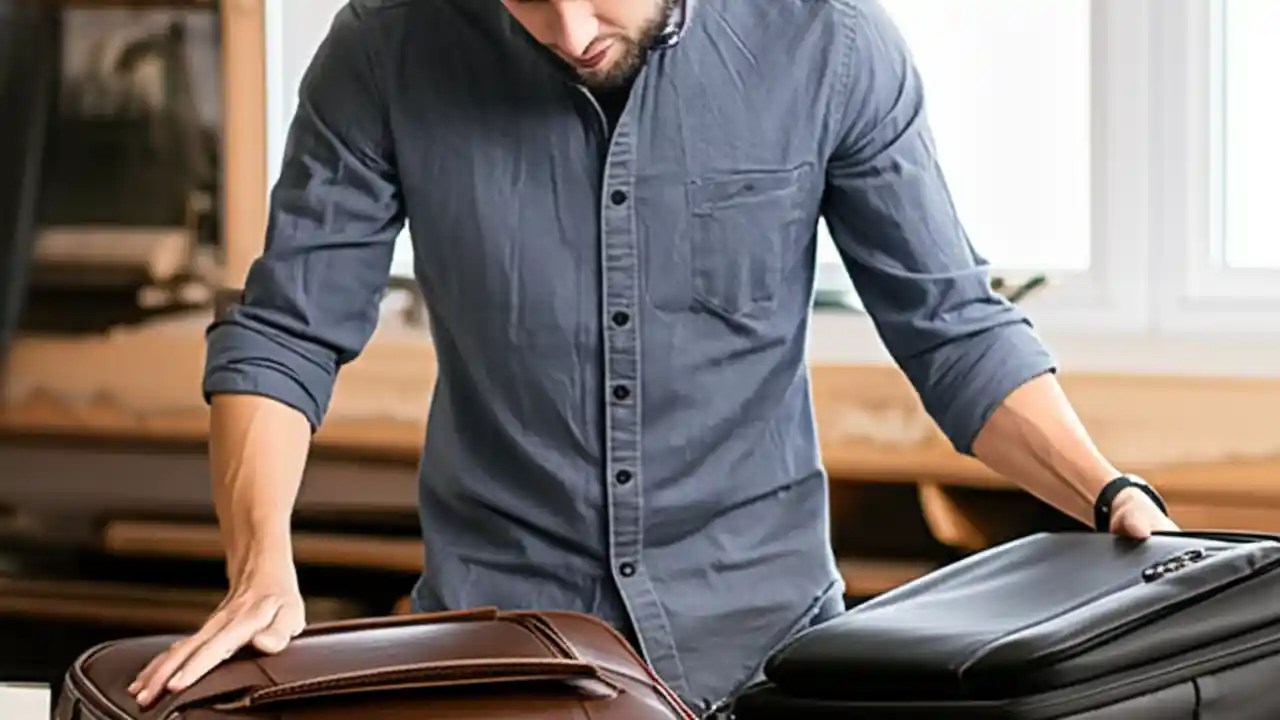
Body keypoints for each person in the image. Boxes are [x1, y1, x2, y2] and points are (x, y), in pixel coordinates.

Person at [127, 0, 1179, 715]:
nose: (568, 29)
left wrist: (1105, 491)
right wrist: (260, 560)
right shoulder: (385, 45)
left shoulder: (827, 43)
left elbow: (949, 326)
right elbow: (286, 329)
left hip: (770, 658)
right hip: (505, 653)